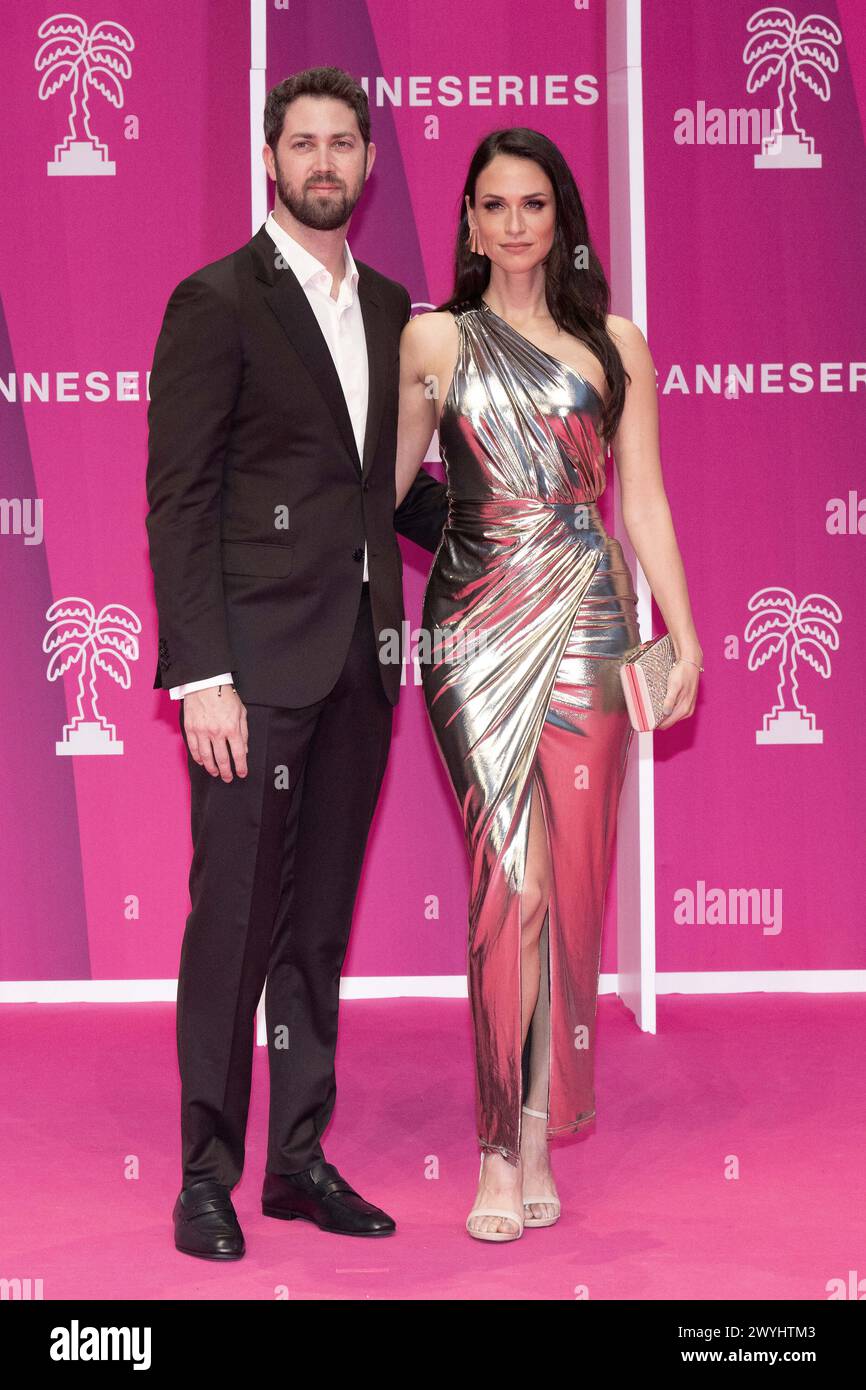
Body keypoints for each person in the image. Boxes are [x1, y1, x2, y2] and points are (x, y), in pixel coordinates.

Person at [146, 67, 447, 1260]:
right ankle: (204, 1174)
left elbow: (387, 489)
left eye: (343, 144)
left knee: (315, 930)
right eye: (302, 143)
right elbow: (180, 501)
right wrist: (198, 674)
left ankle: (295, 1157)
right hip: (250, 675)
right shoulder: (214, 300)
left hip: (361, 669)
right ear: (271, 161)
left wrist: (523, 525)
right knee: (231, 926)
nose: (324, 162)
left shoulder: (390, 309)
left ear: (368, 166)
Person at [397, 128, 703, 1241]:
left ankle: (534, 1127)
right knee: (504, 882)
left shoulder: (612, 340)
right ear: (468, 219)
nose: (514, 225)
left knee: (567, 890)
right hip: (474, 629)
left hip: (586, 619)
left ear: (559, 217)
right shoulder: (431, 339)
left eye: (533, 204)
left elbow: (646, 504)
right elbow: (384, 486)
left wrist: (678, 632)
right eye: (493, 205)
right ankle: (489, 1146)